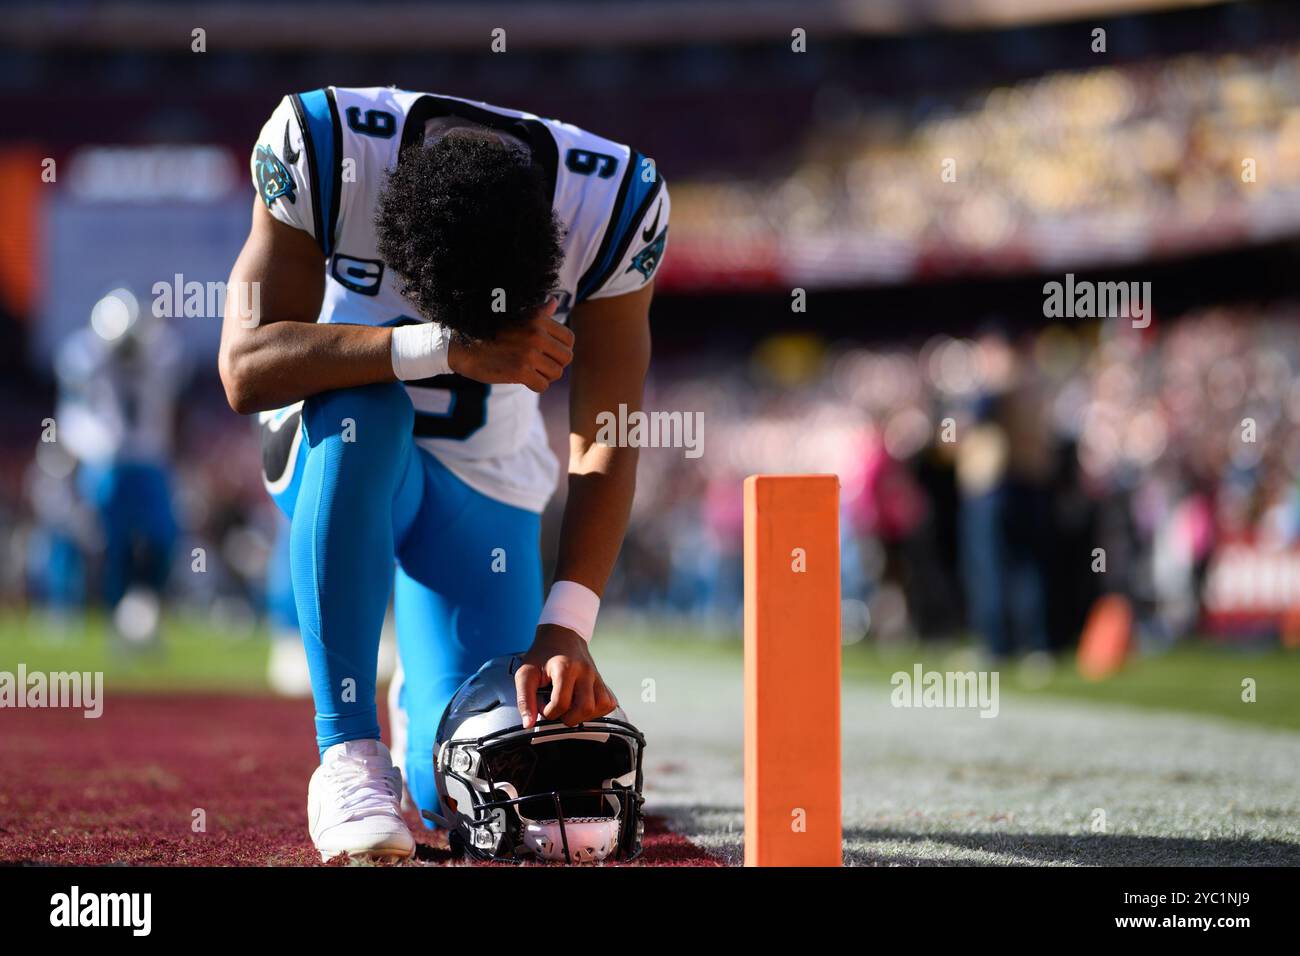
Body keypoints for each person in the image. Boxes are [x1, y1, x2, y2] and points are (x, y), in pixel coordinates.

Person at [219, 87, 668, 861]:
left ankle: (412, 729)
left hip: (484, 481)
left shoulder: (616, 200)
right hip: (337, 451)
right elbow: (245, 367)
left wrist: (568, 624)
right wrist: (440, 349)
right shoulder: (325, 145)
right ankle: (349, 756)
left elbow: (610, 431)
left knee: (466, 782)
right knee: (369, 411)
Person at [55, 288, 184, 643]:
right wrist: (96, 446)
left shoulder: (162, 352)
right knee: (109, 543)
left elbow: (168, 400)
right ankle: (116, 618)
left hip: (149, 462)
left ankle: (145, 605)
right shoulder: (84, 357)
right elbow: (71, 416)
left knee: (163, 537)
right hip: (107, 465)